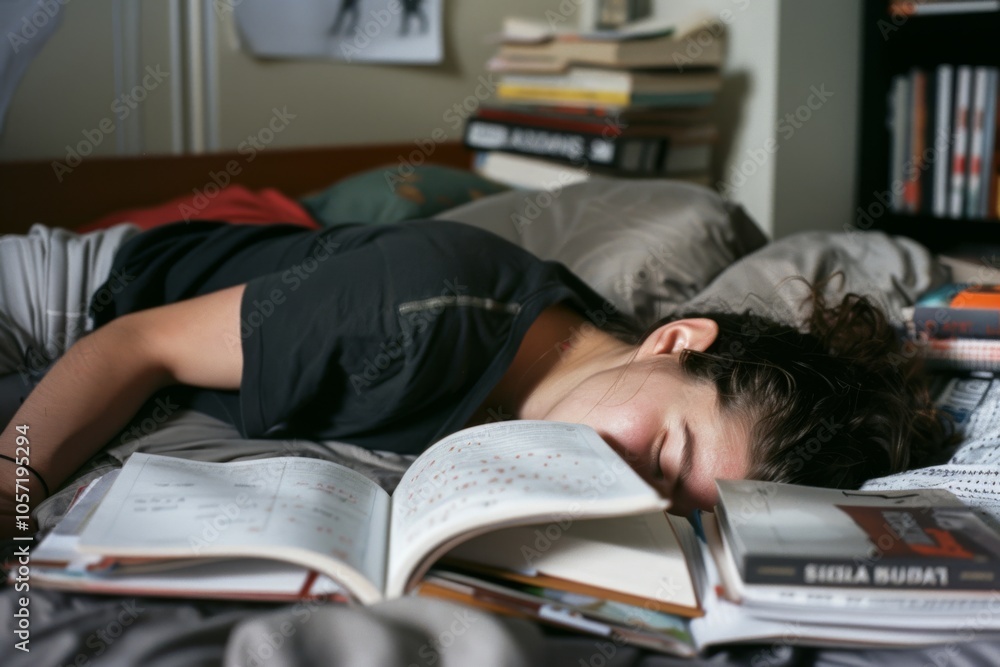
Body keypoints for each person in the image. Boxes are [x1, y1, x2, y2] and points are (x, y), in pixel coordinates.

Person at [0, 218, 951, 536]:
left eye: (668, 503)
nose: (626, 491)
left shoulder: (577, 378)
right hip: (63, 304)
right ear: (673, 341)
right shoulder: (418, 315)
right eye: (663, 451)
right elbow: (130, 349)